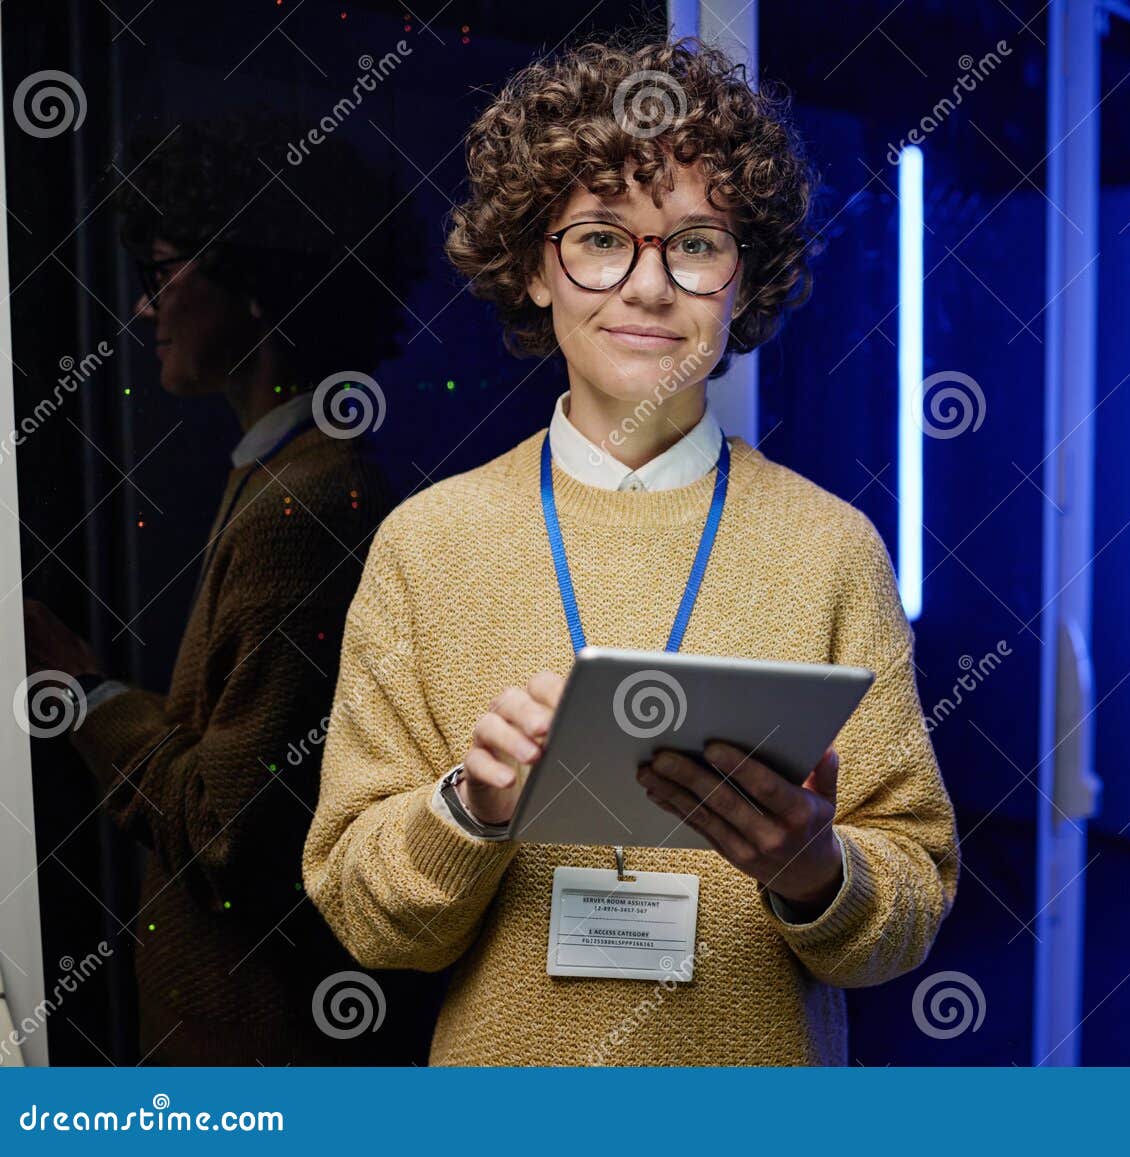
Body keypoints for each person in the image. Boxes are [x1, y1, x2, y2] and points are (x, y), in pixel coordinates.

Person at [303, 30, 959, 1066]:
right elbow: (370, 919)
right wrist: (469, 809)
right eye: (602, 237)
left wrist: (813, 868)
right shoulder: (424, 547)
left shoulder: (833, 546)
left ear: (745, 282)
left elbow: (909, 904)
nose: (650, 286)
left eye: (696, 243)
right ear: (532, 268)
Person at [23, 116, 437, 1065]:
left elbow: (228, 838)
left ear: (251, 281)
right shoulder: (285, 475)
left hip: (262, 1062)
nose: (142, 308)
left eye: (163, 270)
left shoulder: (313, 503)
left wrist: (85, 695)